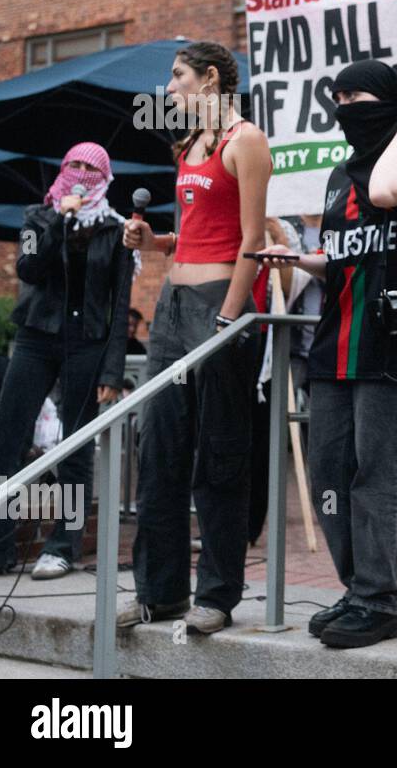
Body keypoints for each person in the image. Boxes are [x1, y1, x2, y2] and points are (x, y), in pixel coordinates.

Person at [263, 59, 397, 649]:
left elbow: (388, 193)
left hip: (392, 346)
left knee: (377, 475)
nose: (344, 105)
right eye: (336, 96)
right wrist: (301, 262)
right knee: (328, 474)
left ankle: (378, 599)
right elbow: (344, 253)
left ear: (390, 102)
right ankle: (356, 588)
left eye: (355, 94)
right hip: (334, 344)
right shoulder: (338, 175)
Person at [117, 41, 271, 635]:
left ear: (209, 79)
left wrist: (230, 320)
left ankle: (216, 595)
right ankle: (160, 593)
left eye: (177, 75)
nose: (169, 85)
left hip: (218, 308)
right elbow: (190, 239)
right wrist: (150, 243)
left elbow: (251, 243)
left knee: (221, 455)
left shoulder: (246, 140)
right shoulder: (189, 144)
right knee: (160, 449)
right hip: (173, 305)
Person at [0, 143, 135, 581]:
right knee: (8, 437)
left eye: (93, 167)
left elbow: (119, 307)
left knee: (75, 446)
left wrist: (112, 370)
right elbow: (28, 267)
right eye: (75, 164)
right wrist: (58, 219)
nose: (83, 173)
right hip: (34, 338)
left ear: (105, 178)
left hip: (86, 344)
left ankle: (63, 545)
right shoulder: (36, 217)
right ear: (63, 169)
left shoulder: (116, 230)